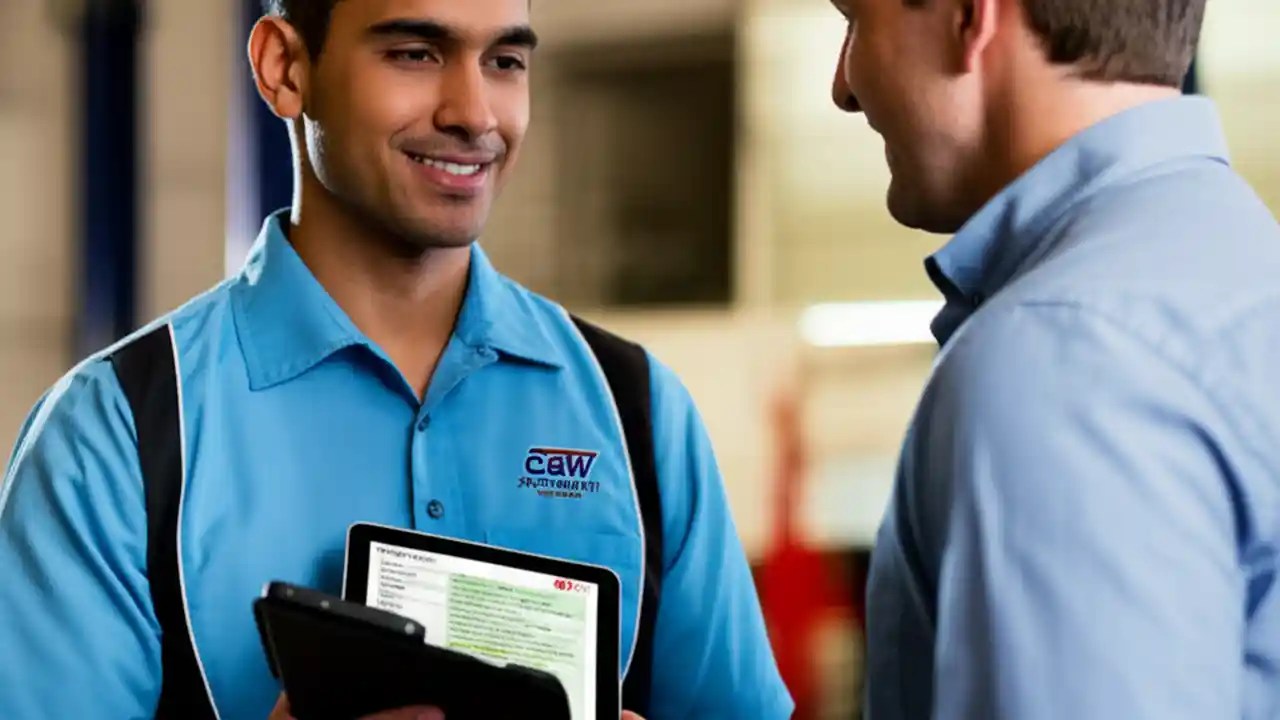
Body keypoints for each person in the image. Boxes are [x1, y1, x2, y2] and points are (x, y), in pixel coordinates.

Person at [0, 1, 792, 718]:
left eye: (505, 62)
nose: (474, 113)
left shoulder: (636, 413)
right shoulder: (114, 435)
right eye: (415, 53)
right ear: (285, 68)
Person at [826, 0, 1280, 718]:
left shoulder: (1061, 361)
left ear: (969, 18)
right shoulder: (1243, 274)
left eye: (856, 20)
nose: (843, 85)